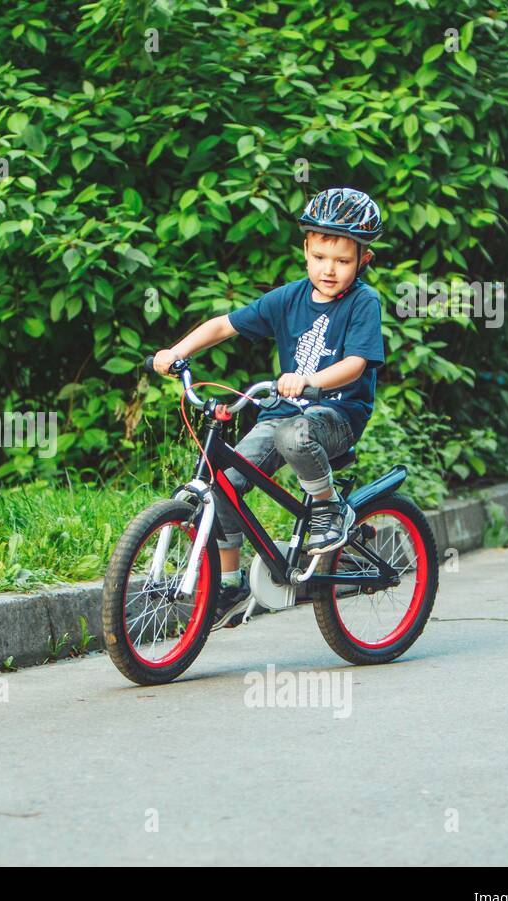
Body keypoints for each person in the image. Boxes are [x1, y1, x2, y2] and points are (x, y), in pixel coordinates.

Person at [151, 186, 386, 620]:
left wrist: (310, 380)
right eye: (320, 257)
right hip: (282, 411)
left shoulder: (363, 302)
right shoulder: (289, 297)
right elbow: (225, 325)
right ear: (305, 250)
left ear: (363, 260)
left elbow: (355, 363)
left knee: (292, 434)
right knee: (222, 481)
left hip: (336, 414)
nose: (329, 270)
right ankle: (229, 582)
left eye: (343, 261)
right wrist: (176, 352)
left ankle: (328, 507)